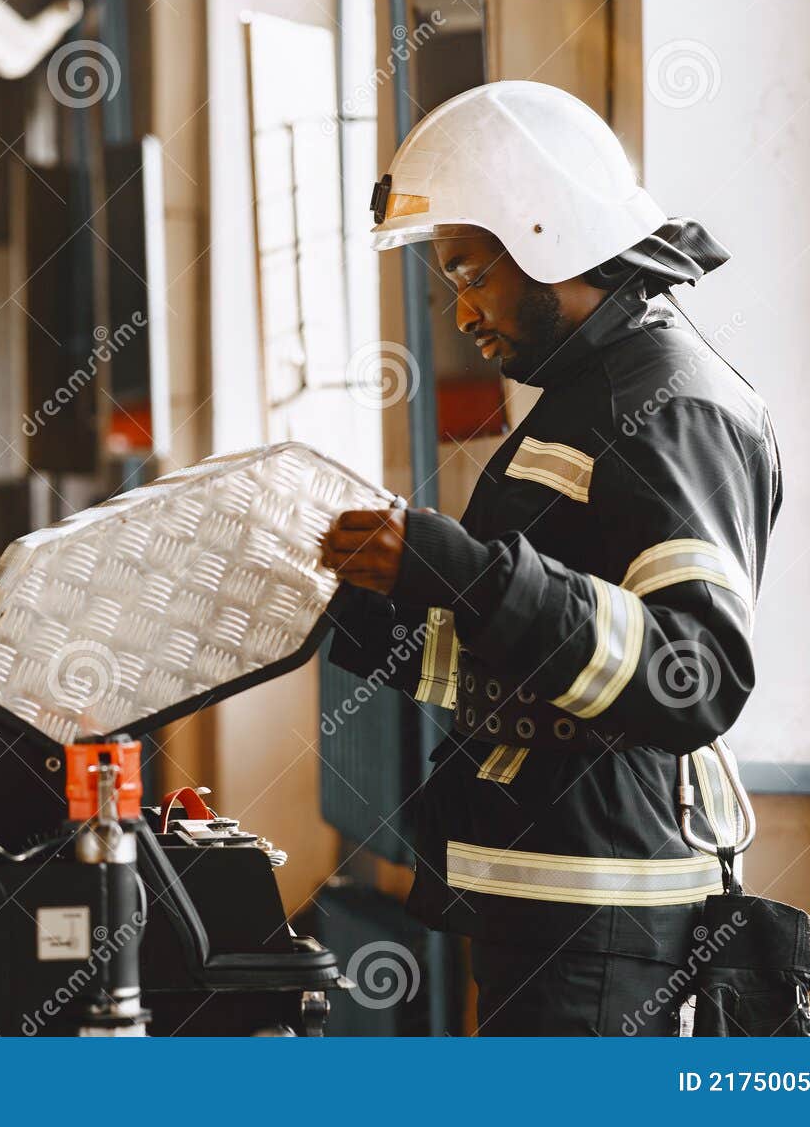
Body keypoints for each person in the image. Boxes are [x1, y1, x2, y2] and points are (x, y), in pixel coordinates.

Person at [320, 81, 781, 1036]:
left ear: (546, 235)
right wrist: (363, 598)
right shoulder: (587, 398)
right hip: (554, 917)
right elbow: (526, 662)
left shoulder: (668, 404)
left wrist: (470, 573)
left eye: (466, 273)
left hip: (609, 932)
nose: (461, 313)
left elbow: (695, 673)